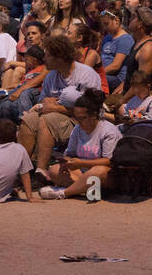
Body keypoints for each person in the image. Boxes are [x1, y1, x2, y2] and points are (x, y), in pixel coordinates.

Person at [17, 34, 104, 185]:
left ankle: (41, 171)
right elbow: (43, 101)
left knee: (47, 120)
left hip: (80, 122)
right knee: (28, 121)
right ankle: (23, 171)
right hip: (57, 116)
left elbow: (90, 111)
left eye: (48, 56)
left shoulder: (86, 75)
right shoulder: (51, 76)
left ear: (60, 57)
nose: (45, 59)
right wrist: (49, 104)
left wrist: (56, 107)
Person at [38, 89, 122, 200]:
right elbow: (70, 153)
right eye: (76, 118)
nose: (79, 122)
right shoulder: (77, 129)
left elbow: (109, 161)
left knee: (98, 171)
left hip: (106, 174)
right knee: (54, 170)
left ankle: (65, 192)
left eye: (83, 118)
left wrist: (81, 163)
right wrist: (66, 162)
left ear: (94, 115)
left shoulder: (108, 131)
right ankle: (85, 188)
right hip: (83, 173)